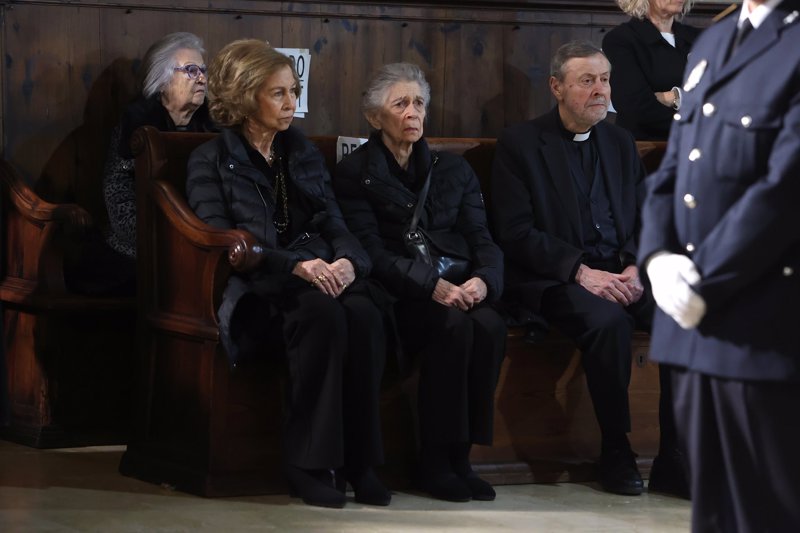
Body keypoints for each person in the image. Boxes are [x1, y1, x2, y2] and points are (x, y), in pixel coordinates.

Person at [186, 40, 389, 509]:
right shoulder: (211, 159)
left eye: (293, 91)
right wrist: (293, 266)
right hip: (257, 291)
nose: (291, 103)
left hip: (317, 276)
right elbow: (221, 241)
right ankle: (308, 464)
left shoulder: (301, 152)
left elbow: (335, 222)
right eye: (278, 93)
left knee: (366, 312)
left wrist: (347, 262)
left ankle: (361, 463)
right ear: (243, 96)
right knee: (323, 315)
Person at [491, 40, 686, 497]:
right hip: (558, 277)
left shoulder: (619, 142)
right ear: (556, 87)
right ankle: (615, 452)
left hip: (624, 272)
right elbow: (515, 232)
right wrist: (581, 272)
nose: (600, 90)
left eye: (605, 80)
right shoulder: (520, 144)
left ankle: (673, 459)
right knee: (610, 325)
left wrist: (639, 265)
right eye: (587, 81)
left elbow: (647, 219)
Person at [639, 0, 800, 529]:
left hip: (764, 323)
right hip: (693, 326)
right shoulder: (713, 39)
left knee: (772, 512)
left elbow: (785, 189)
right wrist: (657, 257)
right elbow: (675, 165)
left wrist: (706, 276)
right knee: (712, 515)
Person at [334, 63, 507, 503]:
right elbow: (370, 251)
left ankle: (461, 456)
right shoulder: (356, 173)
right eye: (401, 104)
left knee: (488, 326)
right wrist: (431, 286)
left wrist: (484, 282)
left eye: (419, 103)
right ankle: (432, 459)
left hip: (456, 285)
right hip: (398, 294)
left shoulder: (454, 170)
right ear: (375, 118)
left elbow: (481, 238)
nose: (413, 112)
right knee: (452, 327)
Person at [67, 32, 215, 296]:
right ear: (163, 80)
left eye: (203, 70)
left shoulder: (212, 129)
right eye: (191, 70)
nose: (202, 77)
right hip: (141, 246)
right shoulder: (136, 127)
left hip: (200, 241)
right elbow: (118, 194)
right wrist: (164, 239)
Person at [603, 0, 701, 140]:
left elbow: (721, 95)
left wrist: (670, 97)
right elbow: (634, 107)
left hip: (696, 146)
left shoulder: (700, 37)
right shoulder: (621, 39)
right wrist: (697, 118)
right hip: (646, 148)